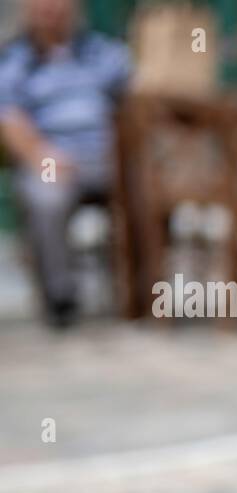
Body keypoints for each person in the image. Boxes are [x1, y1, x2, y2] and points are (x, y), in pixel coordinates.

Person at [0, 0, 130, 327]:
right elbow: (9, 118)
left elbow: (135, 95)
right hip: (48, 155)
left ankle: (140, 291)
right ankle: (61, 298)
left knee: (148, 186)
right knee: (46, 193)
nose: (51, 8)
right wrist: (43, 155)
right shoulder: (15, 58)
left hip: (106, 157)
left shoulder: (103, 52)